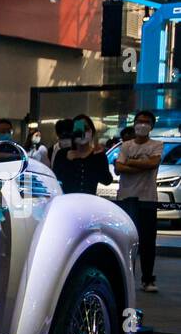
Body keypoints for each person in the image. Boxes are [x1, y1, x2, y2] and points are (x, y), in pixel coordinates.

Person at [114, 109, 162, 293]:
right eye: (139, 121)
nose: (142, 124)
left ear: (151, 126)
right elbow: (118, 167)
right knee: (126, 239)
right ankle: (127, 277)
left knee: (148, 240)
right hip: (126, 196)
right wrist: (141, 165)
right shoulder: (125, 145)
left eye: (146, 121)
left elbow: (153, 164)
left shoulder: (157, 144)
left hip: (147, 198)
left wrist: (130, 164)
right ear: (134, 124)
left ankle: (147, 279)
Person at [52, 114, 111, 196]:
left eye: (86, 129)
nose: (82, 133)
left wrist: (98, 159)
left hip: (88, 202)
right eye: (78, 129)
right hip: (66, 201)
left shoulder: (98, 155)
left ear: (91, 132)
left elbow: (107, 180)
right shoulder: (62, 154)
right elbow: (55, 179)